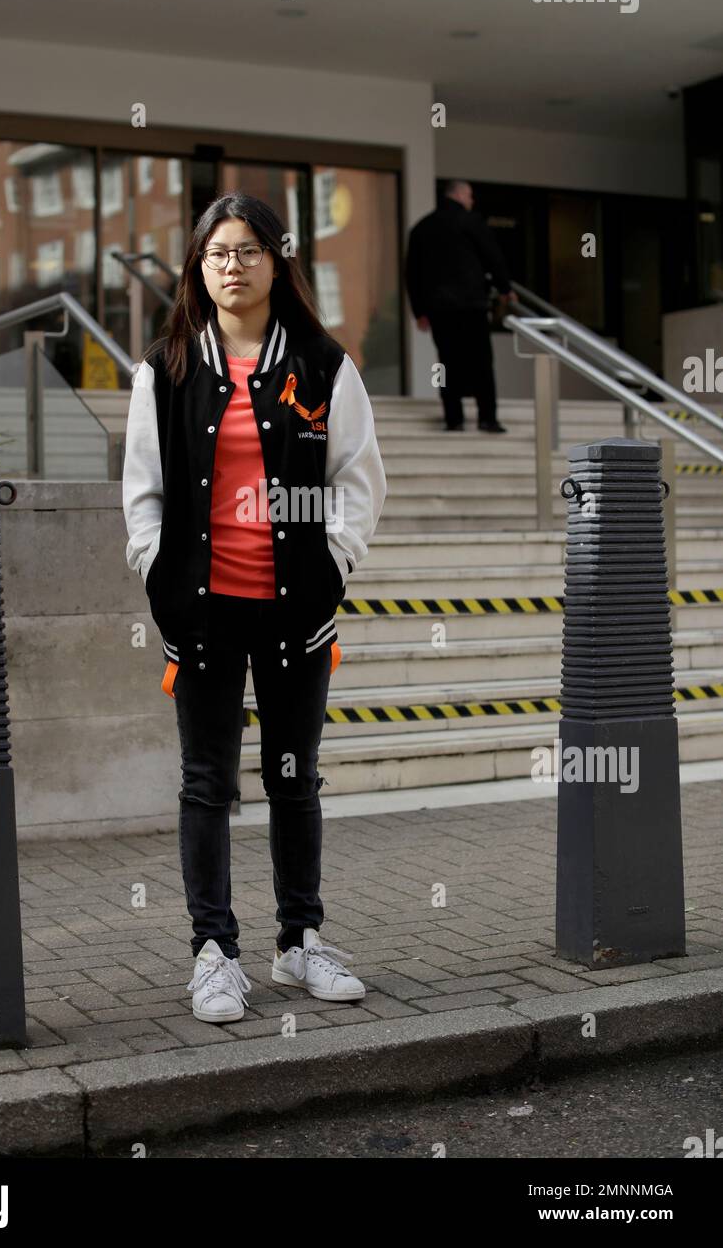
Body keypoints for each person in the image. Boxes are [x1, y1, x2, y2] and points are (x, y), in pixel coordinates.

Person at [122, 193, 387, 1023]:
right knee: (206, 784)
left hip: (292, 612)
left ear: (277, 260)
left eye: (247, 250)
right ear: (199, 267)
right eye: (216, 253)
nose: (231, 266)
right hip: (201, 612)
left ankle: (298, 943)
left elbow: (358, 479)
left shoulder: (321, 364)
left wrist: (331, 563)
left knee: (293, 777)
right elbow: (144, 493)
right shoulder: (165, 369)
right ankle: (215, 954)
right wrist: (156, 571)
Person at [405, 180, 517, 433]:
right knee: (481, 360)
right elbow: (493, 255)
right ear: (457, 195)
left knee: (446, 362)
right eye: (469, 195)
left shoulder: (422, 228)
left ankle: (453, 418)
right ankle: (487, 417)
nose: (472, 200)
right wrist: (505, 288)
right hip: (471, 303)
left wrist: (420, 311)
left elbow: (412, 273)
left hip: (439, 308)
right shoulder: (471, 221)